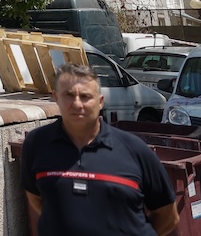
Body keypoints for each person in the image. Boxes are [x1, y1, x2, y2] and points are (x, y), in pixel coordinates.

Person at [22, 62, 177, 236]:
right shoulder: (37, 143)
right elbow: (36, 198)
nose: (77, 104)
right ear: (56, 97)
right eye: (69, 95)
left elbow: (168, 215)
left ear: (100, 101)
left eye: (85, 96)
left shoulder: (135, 150)